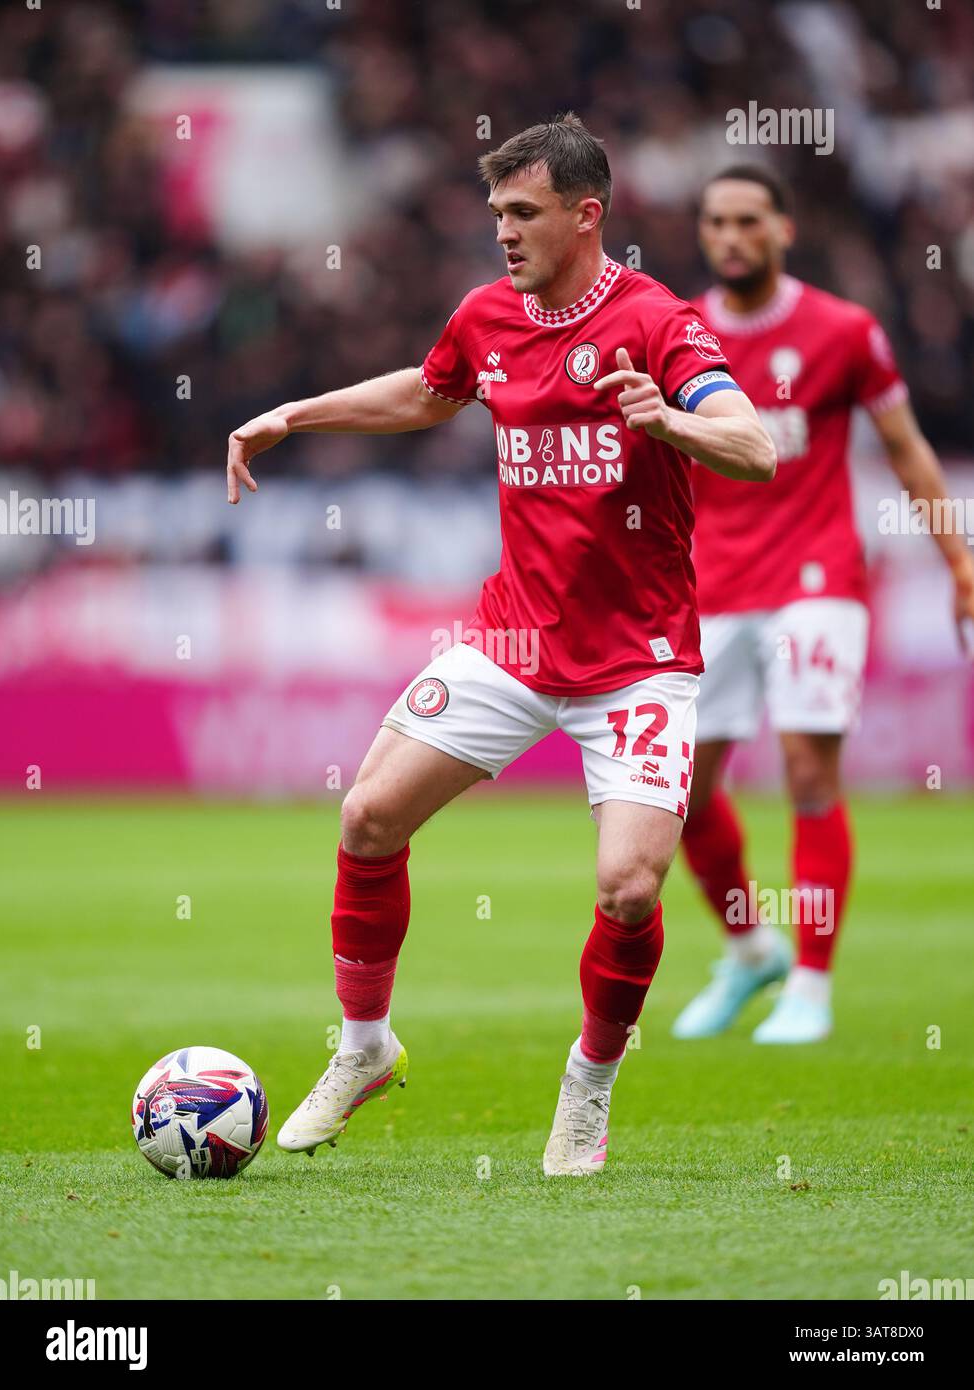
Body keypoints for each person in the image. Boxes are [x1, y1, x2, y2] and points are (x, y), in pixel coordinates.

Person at [226, 117, 775, 1176]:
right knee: (369, 815)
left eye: (523, 214)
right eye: (496, 214)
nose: (504, 233)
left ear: (587, 213)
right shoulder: (488, 316)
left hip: (639, 660)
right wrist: (293, 415)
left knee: (627, 888)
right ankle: (363, 1047)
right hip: (515, 640)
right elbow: (430, 391)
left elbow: (752, 443)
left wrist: (672, 423)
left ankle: (591, 1081)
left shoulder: (659, 323)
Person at [672, 165, 974, 1045]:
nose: (731, 237)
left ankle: (811, 982)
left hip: (817, 581)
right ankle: (750, 947)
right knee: (681, 790)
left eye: (748, 221)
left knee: (808, 771)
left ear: (784, 229)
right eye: (716, 221)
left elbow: (909, 451)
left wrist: (958, 562)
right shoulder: (680, 333)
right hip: (711, 586)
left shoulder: (845, 332)